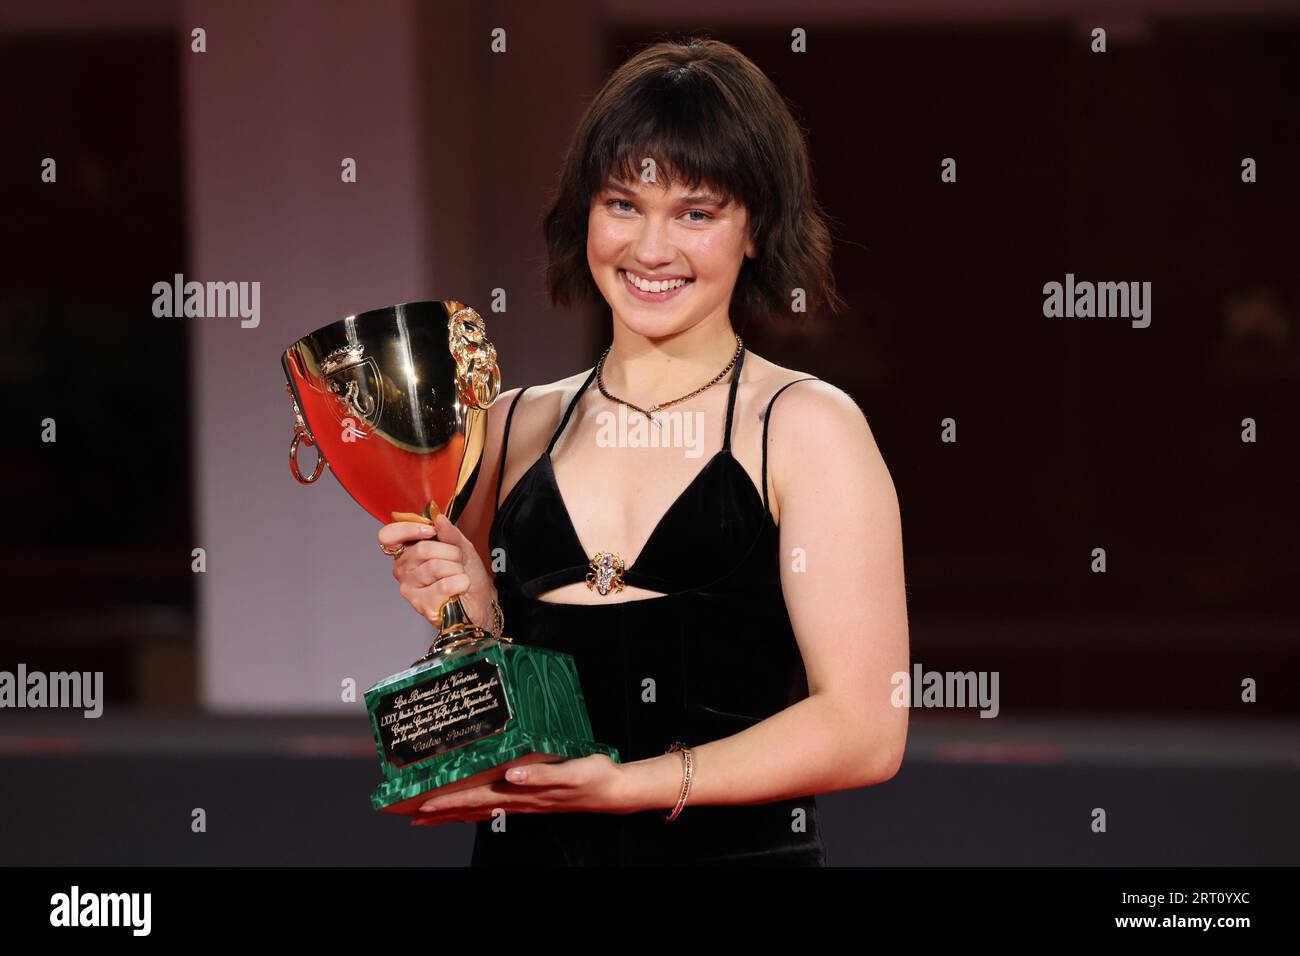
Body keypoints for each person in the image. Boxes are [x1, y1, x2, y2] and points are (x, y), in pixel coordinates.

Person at [377, 36, 909, 866]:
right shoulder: (513, 425)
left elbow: (866, 730)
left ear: (757, 230)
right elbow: (492, 724)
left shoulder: (805, 427)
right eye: (623, 204)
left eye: (695, 213)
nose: (651, 249)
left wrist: (633, 785)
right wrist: (472, 615)